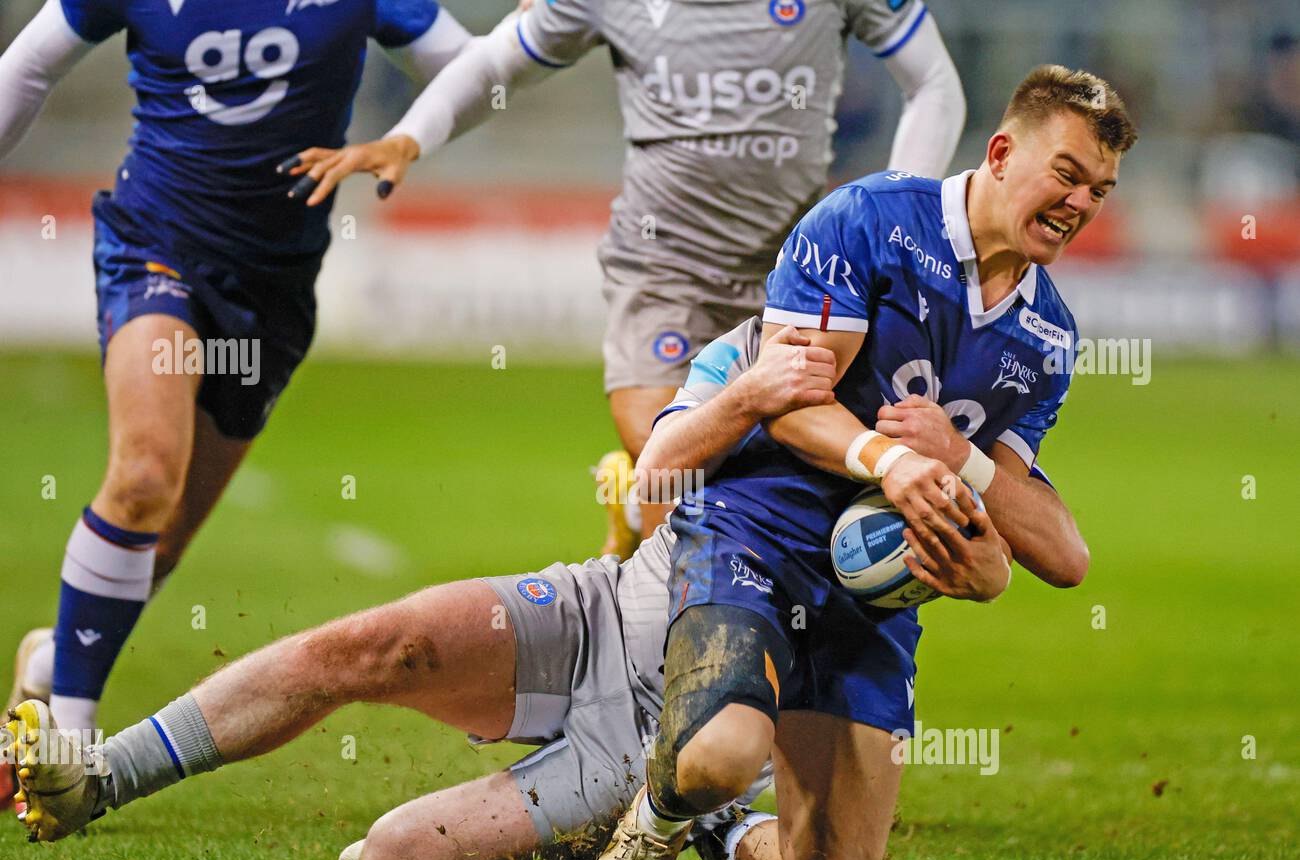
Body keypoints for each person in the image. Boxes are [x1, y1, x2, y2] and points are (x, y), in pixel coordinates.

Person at [3, 320, 1013, 860]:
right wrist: (744, 397)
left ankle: (689, 819)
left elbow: (990, 562)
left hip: (646, 734)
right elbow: (652, 488)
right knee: (371, 642)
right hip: (601, 605)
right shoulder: (747, 355)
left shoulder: (913, 434)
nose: (826, 317)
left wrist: (970, 563)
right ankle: (101, 777)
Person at [587, 64, 1137, 860]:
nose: (1080, 202)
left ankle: (721, 831)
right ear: (998, 153)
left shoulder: (1049, 334)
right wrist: (895, 461)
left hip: (872, 587)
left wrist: (964, 469)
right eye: (1066, 173)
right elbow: (789, 404)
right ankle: (659, 816)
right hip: (761, 527)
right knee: (722, 753)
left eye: (1098, 188)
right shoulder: (869, 221)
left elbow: (1048, 543)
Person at [0, 0, 472, 810]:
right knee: (145, 473)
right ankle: (68, 752)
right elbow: (31, 64)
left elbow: (471, 65)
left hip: (273, 293)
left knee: (162, 541)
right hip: (155, 245)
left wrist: (410, 136)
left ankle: (50, 666)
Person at [284, 0, 966, 556]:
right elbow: (495, 62)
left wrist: (895, 221)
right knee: (664, 447)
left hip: (796, 271)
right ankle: (657, 578)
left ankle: (646, 536)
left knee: (773, 463)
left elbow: (933, 81)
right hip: (663, 266)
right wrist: (408, 138)